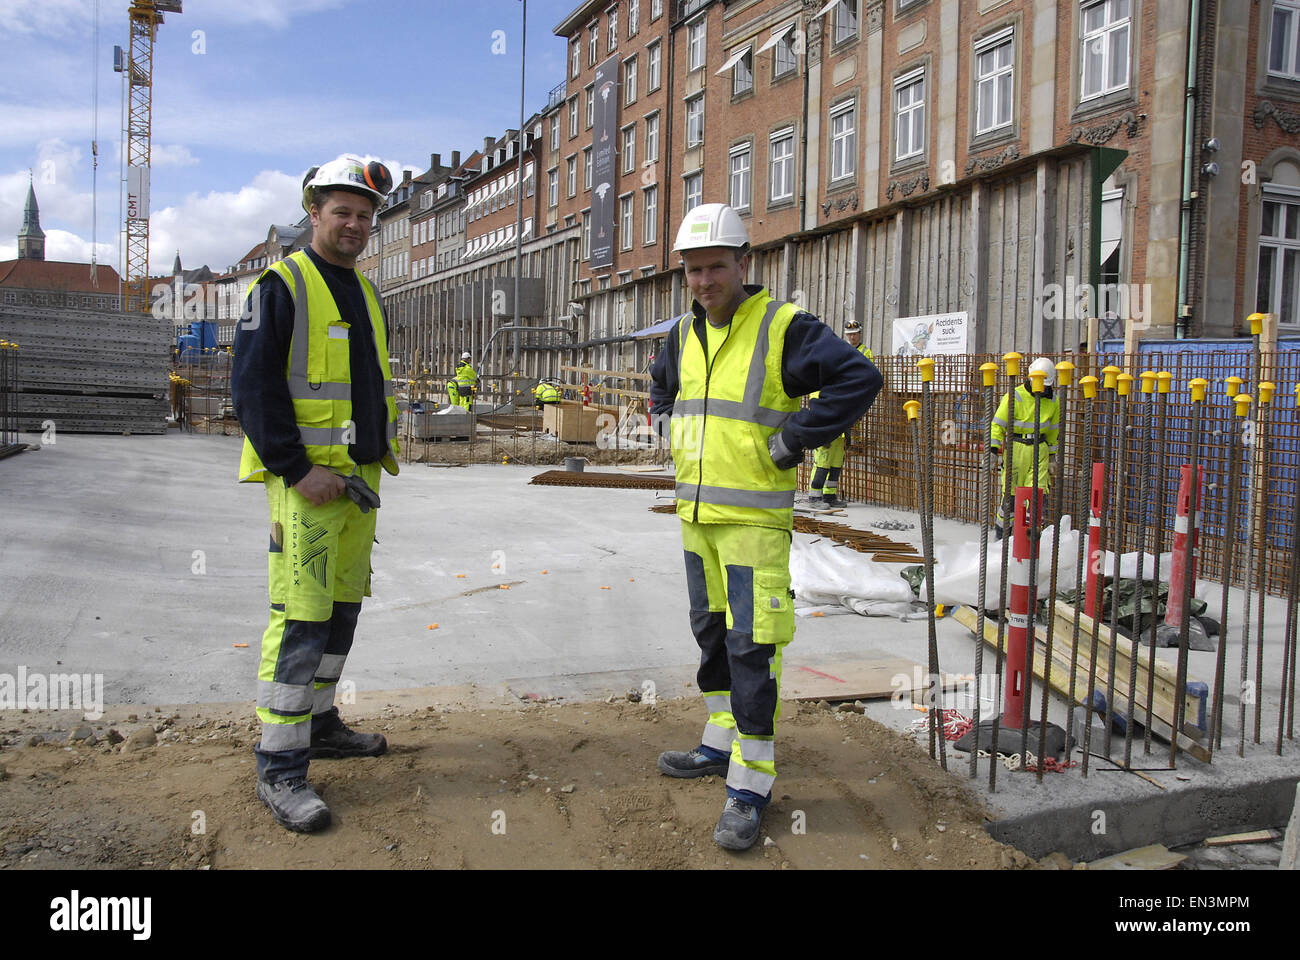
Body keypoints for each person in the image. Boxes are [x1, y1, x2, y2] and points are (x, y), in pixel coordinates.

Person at [650, 203, 882, 851]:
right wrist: (666, 424)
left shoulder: (785, 327)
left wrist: (794, 440)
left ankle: (750, 785)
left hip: (754, 523)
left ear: (743, 264)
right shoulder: (681, 334)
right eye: (693, 271)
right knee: (711, 636)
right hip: (697, 521)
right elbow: (661, 388)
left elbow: (859, 377)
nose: (704, 281)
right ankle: (719, 744)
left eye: (715, 266)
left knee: (753, 648)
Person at [231, 154, 398, 834]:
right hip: (308, 487)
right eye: (342, 212)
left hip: (356, 483)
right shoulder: (282, 285)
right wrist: (297, 469)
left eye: (364, 215)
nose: (355, 224)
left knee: (340, 617)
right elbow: (253, 387)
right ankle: (281, 767)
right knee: (300, 623)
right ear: (314, 214)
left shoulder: (365, 291)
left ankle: (321, 724)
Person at [990, 356, 1060, 539]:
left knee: (1038, 496)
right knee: (1011, 498)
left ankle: (1028, 540)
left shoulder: (1053, 400)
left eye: (1046, 385)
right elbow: (997, 424)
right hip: (1016, 449)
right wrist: (993, 449)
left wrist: (1052, 456)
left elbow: (1053, 431)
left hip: (1040, 450)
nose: (1043, 389)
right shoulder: (1015, 396)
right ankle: (1002, 536)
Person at [809, 319, 876, 506]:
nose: (852, 336)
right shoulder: (822, 383)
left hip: (844, 415)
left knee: (837, 460)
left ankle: (829, 495)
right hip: (828, 419)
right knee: (823, 458)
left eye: (855, 333)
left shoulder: (863, 354)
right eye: (849, 334)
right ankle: (814, 496)